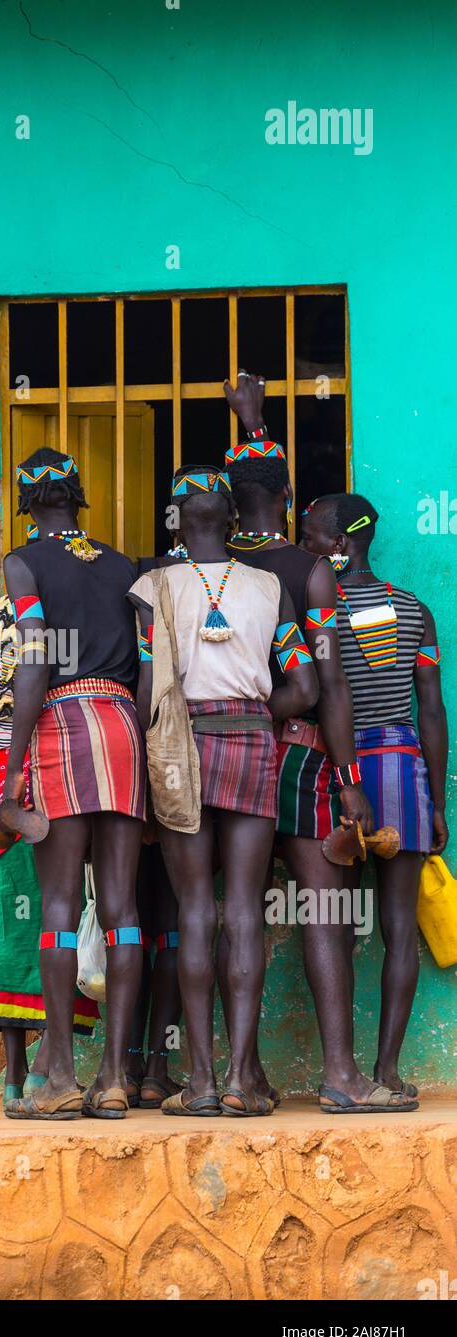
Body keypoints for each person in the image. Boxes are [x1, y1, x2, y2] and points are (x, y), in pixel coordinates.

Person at [221, 374, 413, 1113]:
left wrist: (249, 420)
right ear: (290, 499)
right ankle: (341, 1074)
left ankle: (240, 1077)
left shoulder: (199, 565)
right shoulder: (307, 572)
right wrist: (348, 775)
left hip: (224, 755)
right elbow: (329, 686)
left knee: (231, 908)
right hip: (299, 755)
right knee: (325, 911)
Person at [130, 466, 319, 1116]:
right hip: (250, 741)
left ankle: (201, 1083)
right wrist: (260, 709)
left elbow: (148, 687)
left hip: (184, 744)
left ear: (177, 520)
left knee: (193, 911)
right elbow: (306, 686)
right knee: (243, 910)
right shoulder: (270, 586)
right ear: (235, 520)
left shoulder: (152, 586)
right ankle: (243, 1079)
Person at [2, 447, 146, 1120]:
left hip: (62, 723)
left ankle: (59, 1077)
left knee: (59, 905)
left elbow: (33, 663)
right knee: (121, 908)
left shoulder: (24, 562)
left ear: (31, 505)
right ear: (77, 498)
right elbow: (145, 670)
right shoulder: (122, 565)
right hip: (122, 727)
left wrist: (14, 765)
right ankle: (115, 1077)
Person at [302, 491, 448, 1104]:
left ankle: (345, 1072)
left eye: (310, 534)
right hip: (401, 768)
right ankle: (386, 1072)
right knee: (397, 931)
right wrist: (436, 802)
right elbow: (432, 710)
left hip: (337, 771)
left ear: (340, 542)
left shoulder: (315, 608)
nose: (303, 542)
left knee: (329, 924)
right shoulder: (414, 610)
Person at [0, 593, 98, 1113]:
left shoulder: (2, 611)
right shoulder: (67, 611)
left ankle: (19, 1076)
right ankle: (48, 1066)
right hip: (50, 762)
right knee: (51, 912)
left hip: (0, 770)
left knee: (7, 922)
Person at [124, 843, 183, 1108]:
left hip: (129, 816)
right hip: (175, 822)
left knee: (132, 933)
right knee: (173, 934)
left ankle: (128, 1064)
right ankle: (156, 1070)